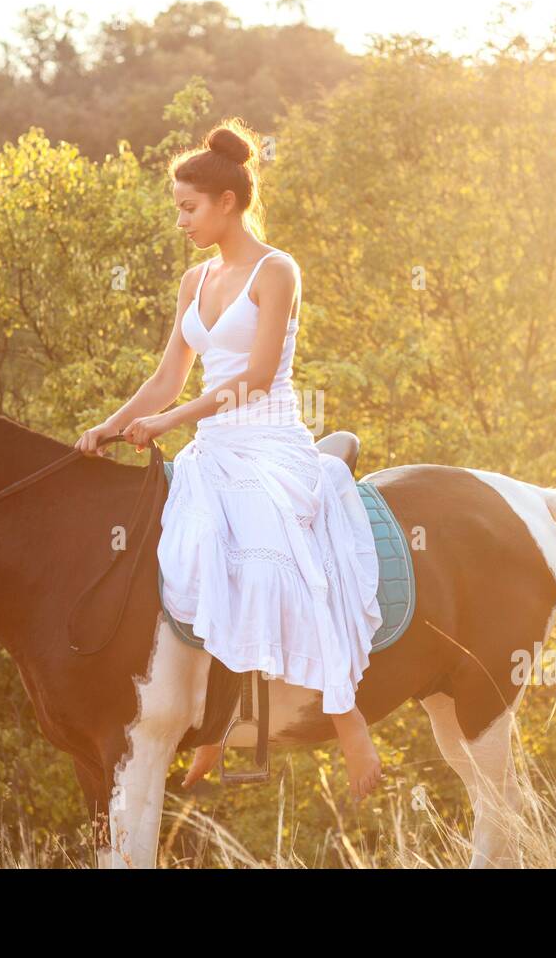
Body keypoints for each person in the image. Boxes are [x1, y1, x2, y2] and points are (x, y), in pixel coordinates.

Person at [74, 119, 384, 801]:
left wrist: (167, 423)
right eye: (177, 207)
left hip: (268, 436)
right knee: (188, 550)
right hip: (212, 442)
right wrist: (112, 423)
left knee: (272, 539)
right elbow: (165, 378)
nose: (180, 219)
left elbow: (260, 375)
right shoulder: (194, 280)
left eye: (189, 207)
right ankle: (217, 716)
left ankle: (345, 711)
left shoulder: (277, 270)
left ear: (227, 203)